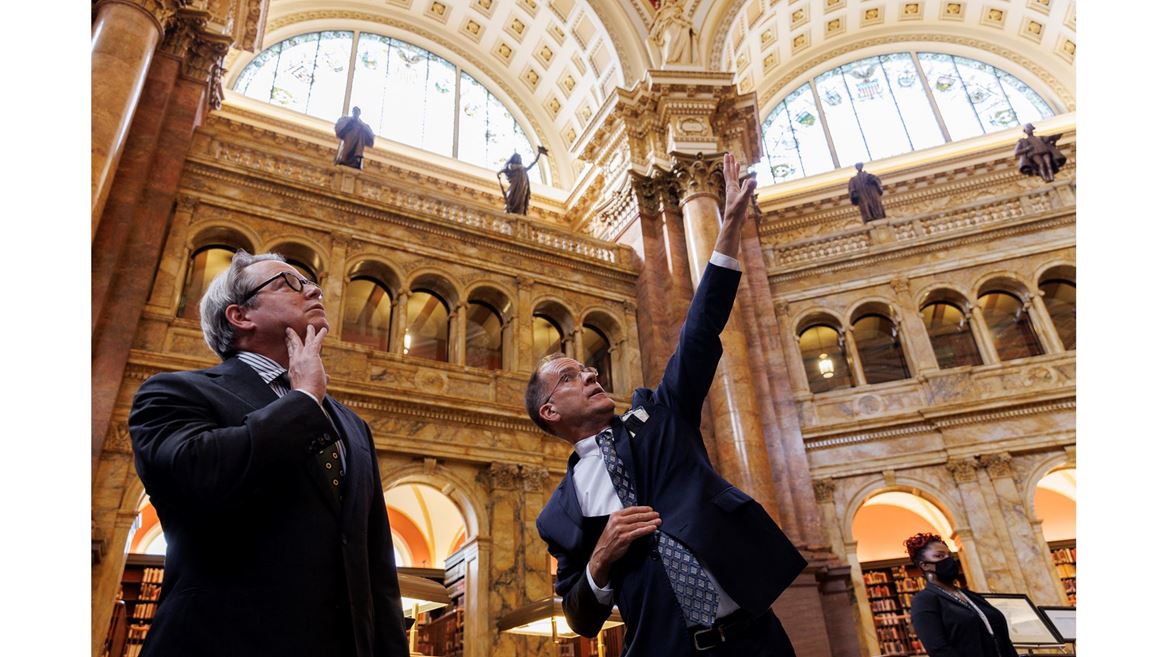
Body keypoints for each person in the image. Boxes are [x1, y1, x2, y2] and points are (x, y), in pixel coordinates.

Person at [530, 153, 807, 656]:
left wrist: (728, 230)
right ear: (550, 411)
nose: (591, 374)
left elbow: (699, 333)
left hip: (754, 639)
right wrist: (600, 561)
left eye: (589, 368)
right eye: (571, 376)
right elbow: (579, 618)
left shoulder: (659, 417)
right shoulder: (557, 515)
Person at [128, 251, 409, 657]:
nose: (313, 289)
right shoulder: (175, 393)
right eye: (287, 283)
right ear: (241, 316)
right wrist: (303, 400)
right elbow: (198, 474)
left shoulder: (352, 426)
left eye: (309, 281)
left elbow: (376, 567)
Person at [905, 533, 1020, 657]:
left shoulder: (972, 596)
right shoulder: (924, 600)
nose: (948, 560)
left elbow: (1003, 638)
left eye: (949, 555)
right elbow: (939, 650)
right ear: (925, 565)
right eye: (939, 556)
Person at [497, 146, 547, 215]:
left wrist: (539, 154)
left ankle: (518, 213)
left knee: (521, 200)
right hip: (515, 185)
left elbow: (533, 163)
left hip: (522, 187)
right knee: (511, 197)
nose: (520, 159)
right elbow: (505, 169)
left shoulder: (522, 168)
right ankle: (509, 210)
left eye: (520, 158)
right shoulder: (512, 166)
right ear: (515, 158)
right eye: (519, 158)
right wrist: (499, 173)